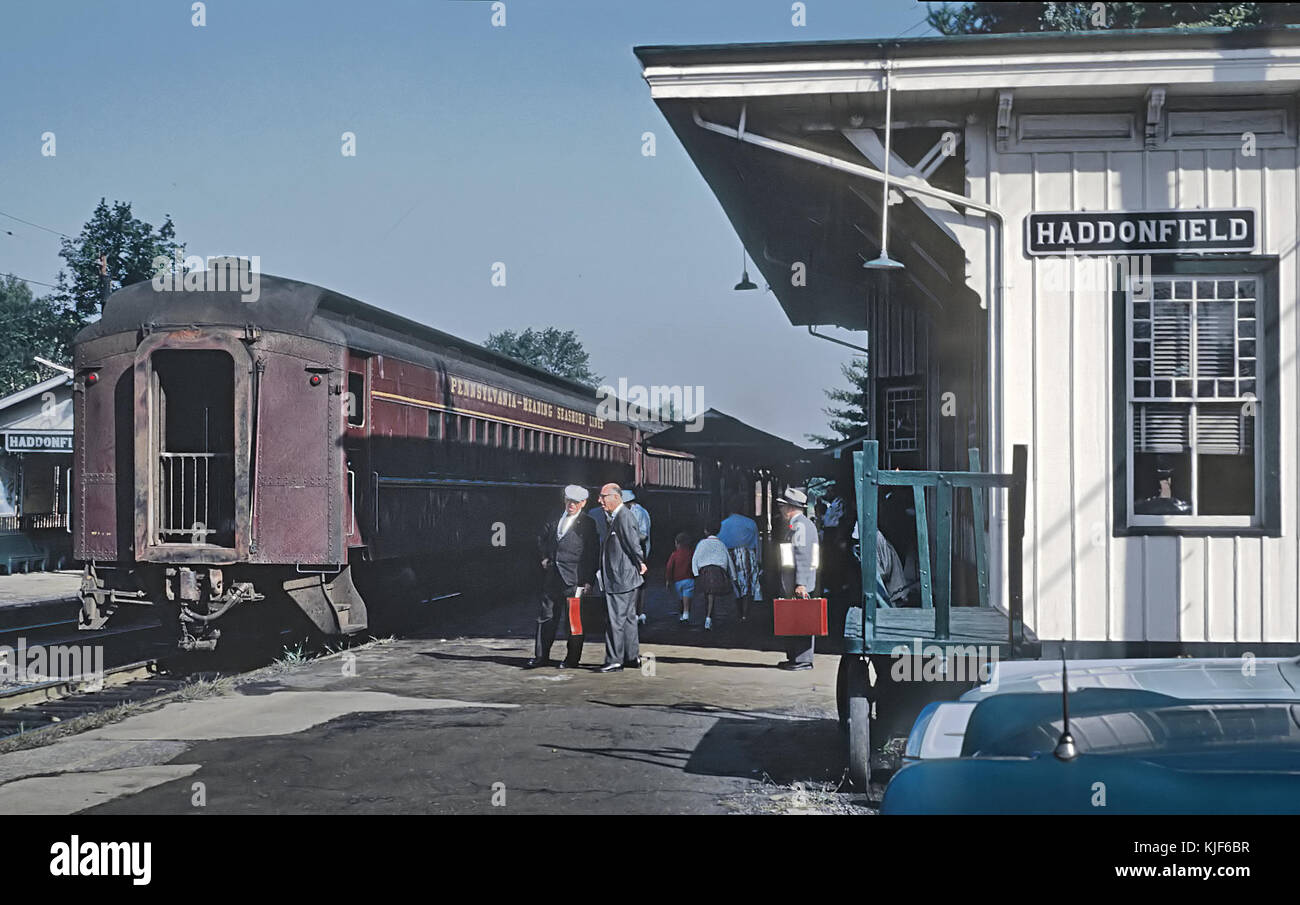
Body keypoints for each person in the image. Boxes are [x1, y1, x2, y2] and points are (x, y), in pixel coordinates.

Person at [526, 485, 598, 669]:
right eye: (568, 501)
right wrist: (544, 558)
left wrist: (588, 580)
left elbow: (592, 553)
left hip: (575, 581)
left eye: (575, 502)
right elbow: (540, 539)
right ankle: (541, 656)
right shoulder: (554, 517)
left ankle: (572, 659)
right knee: (546, 617)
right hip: (552, 578)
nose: (571, 505)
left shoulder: (588, 524)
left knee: (573, 620)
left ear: (583, 503)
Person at [596, 482, 647, 672]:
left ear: (616, 498)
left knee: (615, 619)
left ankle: (614, 660)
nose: (600, 500)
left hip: (621, 576)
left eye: (603, 496)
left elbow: (633, 544)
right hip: (626, 575)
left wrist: (640, 561)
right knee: (628, 619)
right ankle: (631, 657)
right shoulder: (618, 516)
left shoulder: (623, 517)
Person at [776, 487, 818, 670]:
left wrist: (801, 583)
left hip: (798, 582)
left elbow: (802, 554)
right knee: (796, 619)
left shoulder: (800, 526)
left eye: (783, 507)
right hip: (795, 581)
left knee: (802, 619)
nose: (781, 510)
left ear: (790, 508)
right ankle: (796, 657)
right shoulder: (800, 524)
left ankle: (802, 659)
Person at [718, 499, 760, 622]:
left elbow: (720, 543)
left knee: (735, 586)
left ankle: (738, 611)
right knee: (747, 586)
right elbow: (757, 543)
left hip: (730, 556)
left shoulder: (723, 524)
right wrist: (759, 560)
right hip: (748, 555)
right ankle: (745, 614)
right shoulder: (751, 523)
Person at [691, 527, 736, 631]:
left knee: (708, 595)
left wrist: (695, 573)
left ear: (705, 531)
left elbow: (695, 558)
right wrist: (734, 576)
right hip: (719, 572)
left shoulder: (701, 543)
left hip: (704, 572)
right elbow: (729, 561)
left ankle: (708, 617)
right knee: (713, 595)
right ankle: (709, 617)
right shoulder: (721, 544)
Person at [622, 489, 652, 624]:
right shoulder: (639, 511)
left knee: (638, 582)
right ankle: (638, 612)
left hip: (638, 550)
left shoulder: (637, 512)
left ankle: (637, 612)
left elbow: (643, 535)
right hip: (637, 550)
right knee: (640, 583)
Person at [664, 532, 695, 622]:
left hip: (678, 580)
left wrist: (668, 580)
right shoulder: (691, 553)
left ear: (677, 543)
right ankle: (686, 613)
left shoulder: (674, 555)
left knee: (680, 598)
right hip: (689, 578)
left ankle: (682, 614)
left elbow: (669, 567)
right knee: (687, 596)